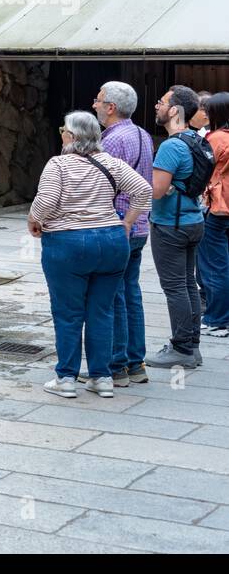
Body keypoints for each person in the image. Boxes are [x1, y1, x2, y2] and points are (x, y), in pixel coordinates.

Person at [32, 111, 152, 399]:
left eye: (63, 129)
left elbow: (46, 201)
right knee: (103, 310)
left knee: (68, 313)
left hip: (68, 243)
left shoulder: (58, 164)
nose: (61, 133)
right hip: (111, 242)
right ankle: (102, 377)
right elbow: (144, 192)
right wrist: (126, 222)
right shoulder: (112, 163)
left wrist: (33, 219)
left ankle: (66, 378)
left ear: (71, 136)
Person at [92, 81, 156, 387]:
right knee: (131, 293)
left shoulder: (113, 140)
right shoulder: (142, 134)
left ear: (111, 107)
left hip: (120, 224)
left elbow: (104, 186)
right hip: (140, 224)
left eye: (98, 100)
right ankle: (135, 363)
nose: (94, 104)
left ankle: (115, 366)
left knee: (113, 295)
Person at [146, 85, 212, 370]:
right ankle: (192, 346)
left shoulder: (171, 146)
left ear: (174, 110)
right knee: (187, 284)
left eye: (161, 102)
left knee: (175, 287)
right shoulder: (194, 139)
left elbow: (157, 191)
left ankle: (182, 348)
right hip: (193, 221)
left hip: (170, 225)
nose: (157, 106)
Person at [199, 91, 229, 338]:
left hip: (218, 206)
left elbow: (202, 169)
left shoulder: (216, 138)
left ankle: (217, 319)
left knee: (214, 264)